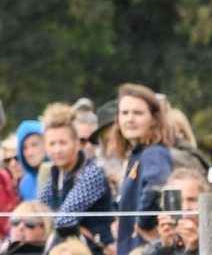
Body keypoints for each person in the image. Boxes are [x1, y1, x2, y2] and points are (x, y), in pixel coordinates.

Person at [38, 103, 113, 253]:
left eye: (63, 143)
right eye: (52, 144)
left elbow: (63, 220)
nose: (57, 150)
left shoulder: (92, 173)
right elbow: (40, 213)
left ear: (77, 143)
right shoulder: (55, 173)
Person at [110, 84, 175, 255]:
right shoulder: (138, 154)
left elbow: (156, 188)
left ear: (154, 119)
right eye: (124, 113)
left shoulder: (155, 153)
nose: (129, 119)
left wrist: (142, 223)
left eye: (138, 113)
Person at [143, 168, 212, 255]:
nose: (186, 207)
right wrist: (166, 249)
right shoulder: (155, 248)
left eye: (192, 199)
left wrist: (194, 250)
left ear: (206, 202)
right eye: (178, 201)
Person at [14, 119, 45, 200]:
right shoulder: (24, 184)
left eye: (34, 145)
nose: (29, 153)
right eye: (24, 148)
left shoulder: (63, 176)